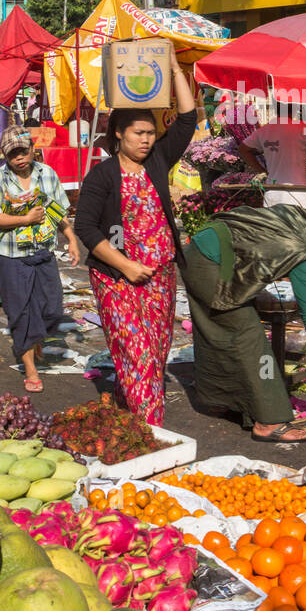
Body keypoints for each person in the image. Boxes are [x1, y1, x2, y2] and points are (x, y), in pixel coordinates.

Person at [74, 50, 197, 424]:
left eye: (150, 133)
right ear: (118, 134)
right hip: (116, 278)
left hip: (159, 276)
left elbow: (188, 119)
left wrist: (175, 68)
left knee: (155, 353)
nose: (146, 140)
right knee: (137, 352)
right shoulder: (103, 174)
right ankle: (151, 434)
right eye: (138, 134)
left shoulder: (158, 159)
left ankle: (125, 405)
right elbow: (86, 227)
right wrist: (126, 266)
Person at [182, 203, 306, 443]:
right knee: (248, 334)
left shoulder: (303, 219)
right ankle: (269, 421)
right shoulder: (301, 254)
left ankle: (217, 399)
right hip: (209, 260)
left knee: (217, 325)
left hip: (201, 247)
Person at [0, 127, 80, 392]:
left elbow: (58, 211)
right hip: (11, 257)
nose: (19, 158)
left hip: (43, 253)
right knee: (21, 314)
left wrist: (71, 238)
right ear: (5, 156)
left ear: (32, 149)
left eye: (23, 151)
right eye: (13, 154)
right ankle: (31, 368)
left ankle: (35, 337)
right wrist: (25, 219)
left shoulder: (47, 175)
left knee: (52, 309)